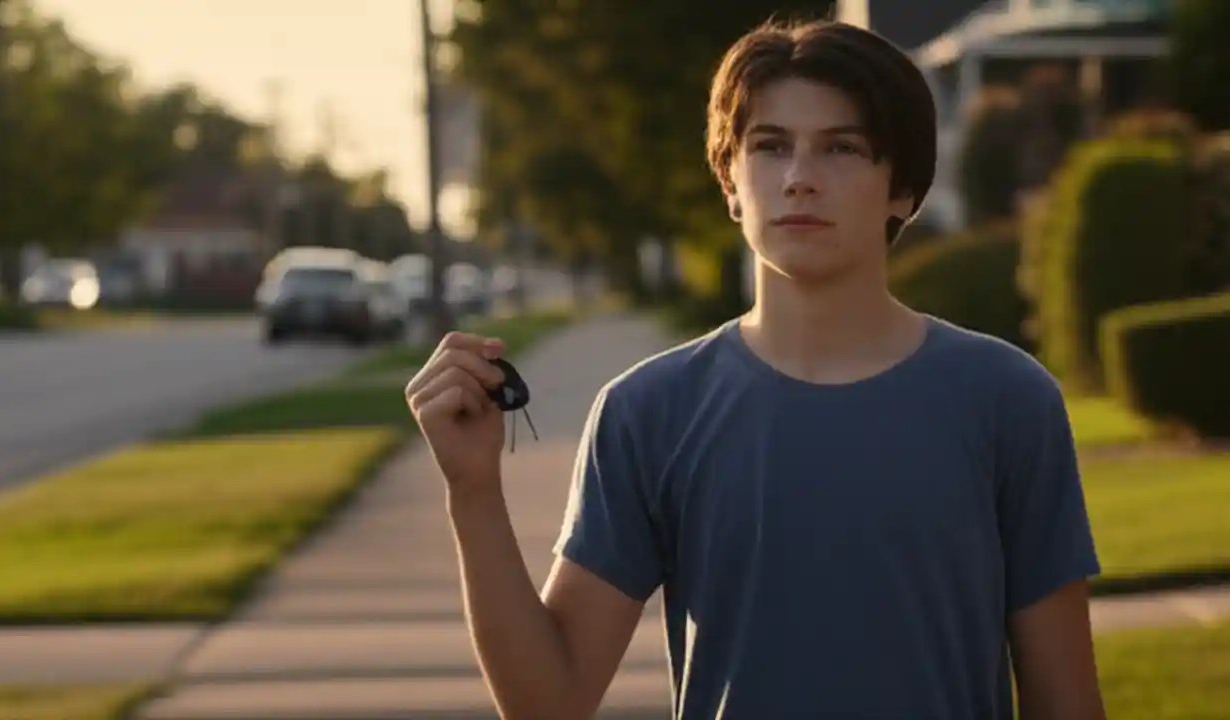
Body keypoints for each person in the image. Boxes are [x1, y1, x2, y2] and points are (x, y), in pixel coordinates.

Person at [404, 17, 1107, 720]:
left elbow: (1066, 703)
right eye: (770, 148)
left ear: (902, 189)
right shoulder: (649, 412)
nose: (800, 179)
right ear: (731, 183)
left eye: (842, 148)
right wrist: (473, 491)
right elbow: (547, 704)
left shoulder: (1005, 401)